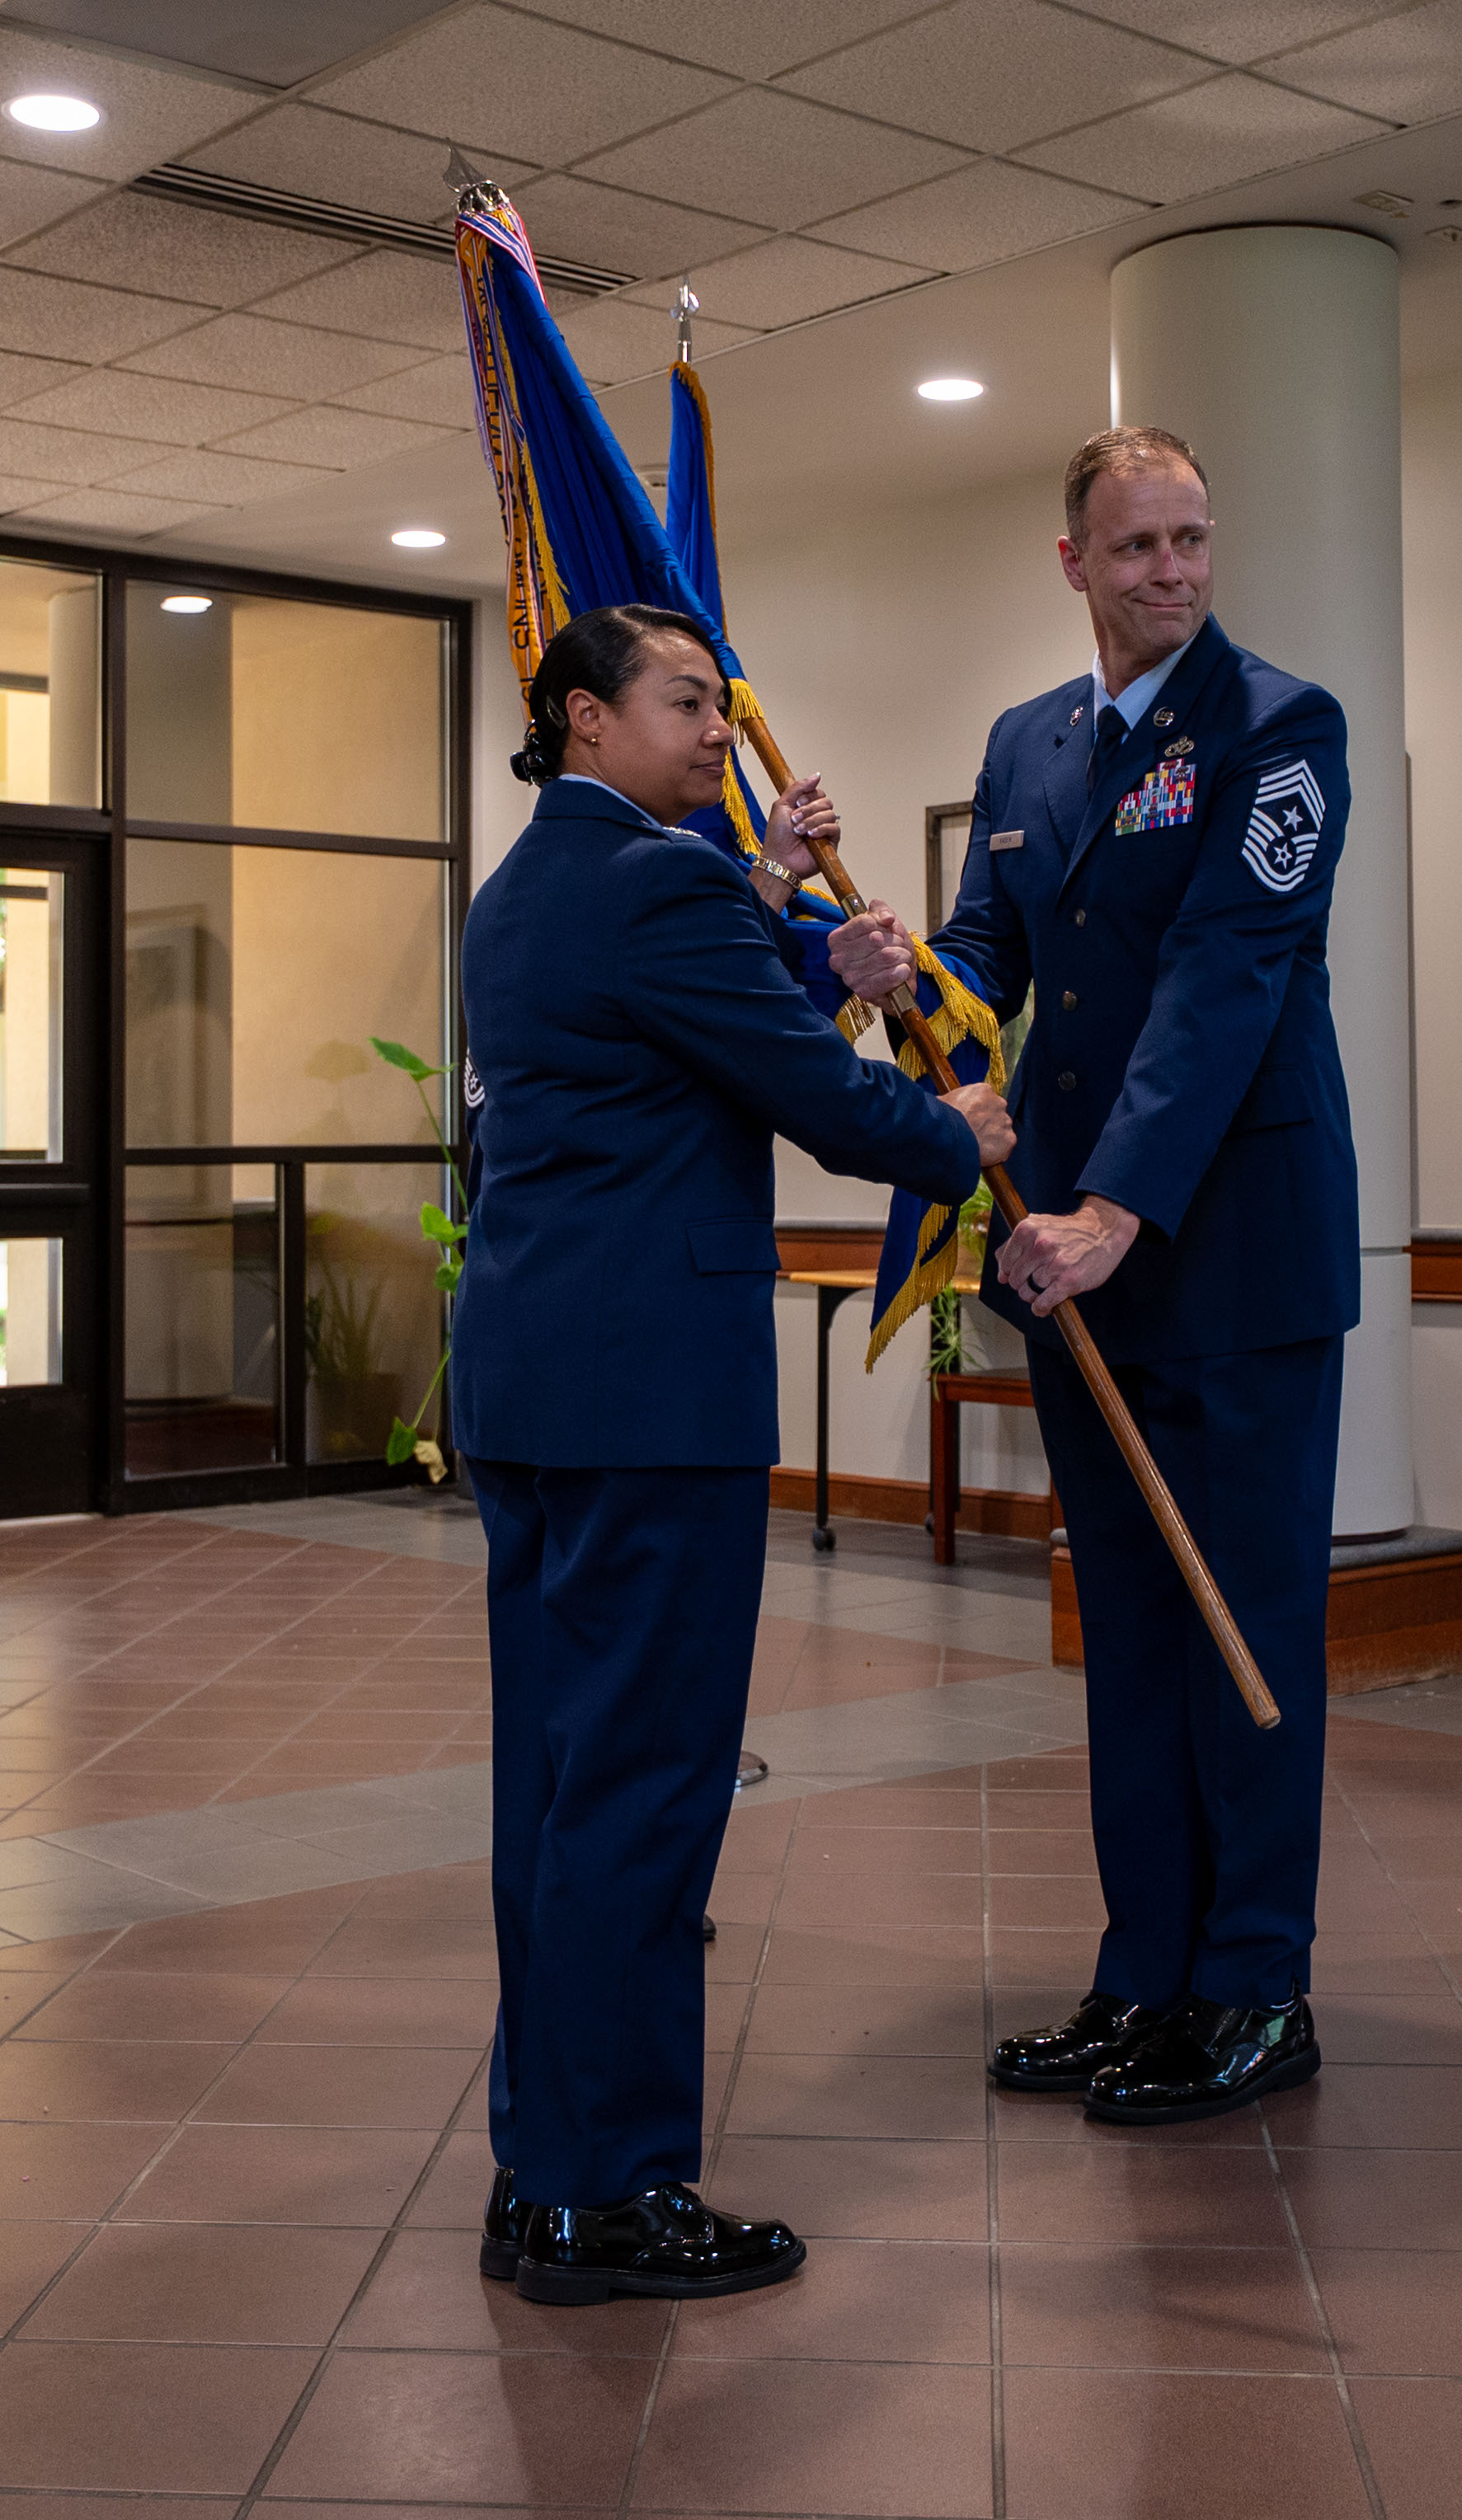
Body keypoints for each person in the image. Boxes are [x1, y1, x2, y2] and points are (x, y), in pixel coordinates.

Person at [458, 603, 1013, 2303]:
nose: (722, 728)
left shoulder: (522, 891)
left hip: (539, 1384)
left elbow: (673, 1058)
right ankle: (613, 2187)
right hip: (655, 1400)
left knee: (553, 1782)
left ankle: (541, 2161)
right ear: (583, 715)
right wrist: (960, 1130)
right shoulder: (661, 883)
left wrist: (782, 920)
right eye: (688, 701)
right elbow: (823, 1107)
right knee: (644, 1782)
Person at [829, 426, 1353, 2126]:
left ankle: (1256, 1983)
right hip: (1079, 1255)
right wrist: (894, 967)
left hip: (1228, 1250)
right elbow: (996, 954)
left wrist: (1118, 1202)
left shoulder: (1280, 729)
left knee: (1243, 1615)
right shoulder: (1031, 743)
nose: (1173, 574)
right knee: (1126, 1628)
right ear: (1074, 563)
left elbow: (1224, 975)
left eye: (1194, 540)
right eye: (1136, 548)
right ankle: (1146, 1978)